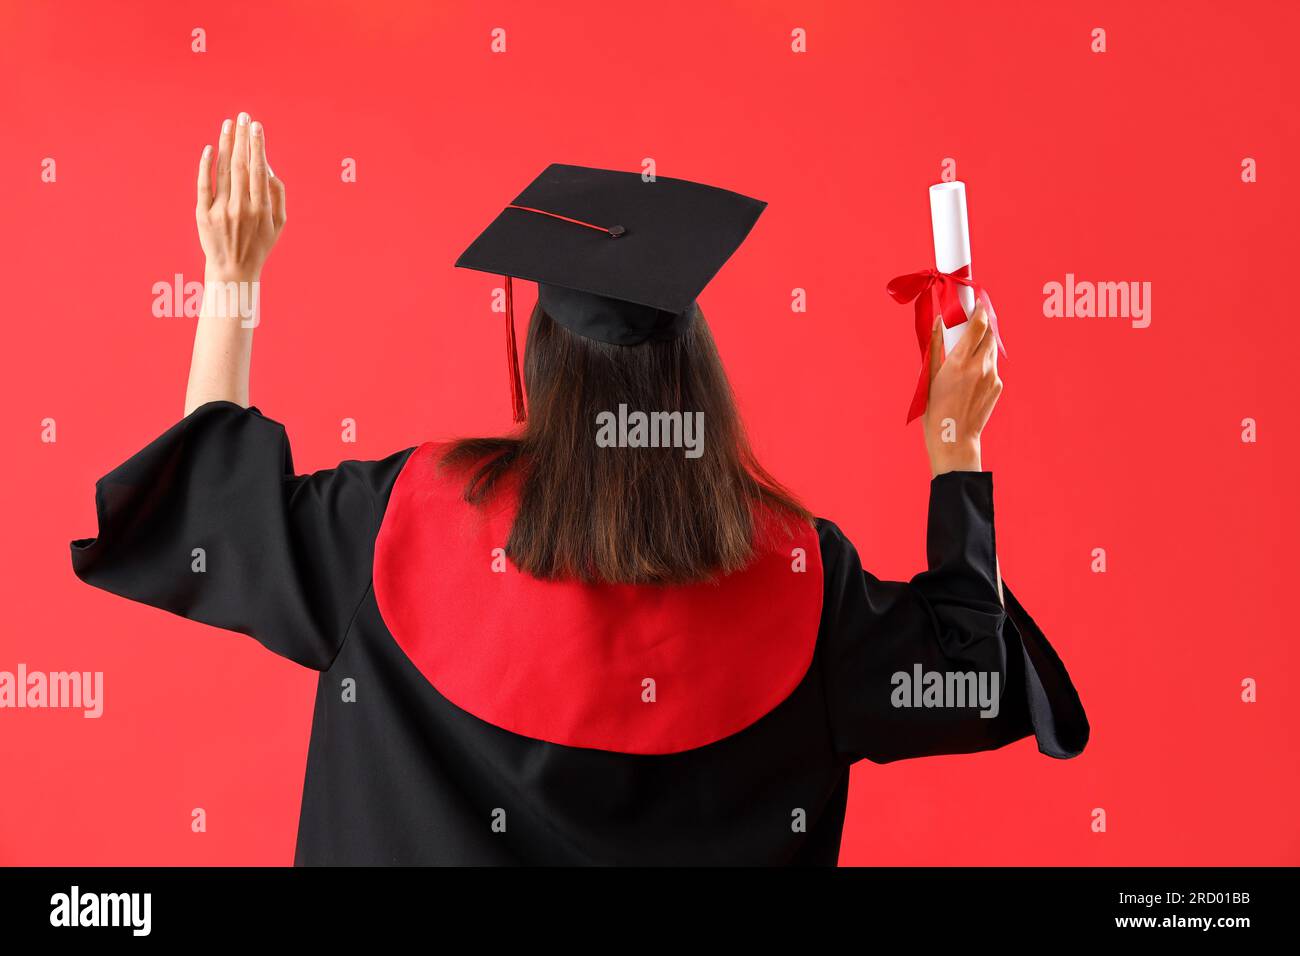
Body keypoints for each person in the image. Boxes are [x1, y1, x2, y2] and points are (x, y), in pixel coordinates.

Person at [70, 113, 1088, 866]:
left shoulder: (395, 528)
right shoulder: (802, 584)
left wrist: (231, 272)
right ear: (694, 378)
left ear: (540, 368)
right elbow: (973, 661)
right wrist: (955, 440)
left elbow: (211, 510)